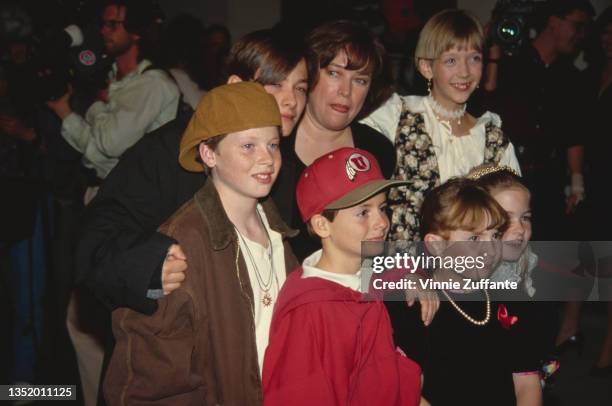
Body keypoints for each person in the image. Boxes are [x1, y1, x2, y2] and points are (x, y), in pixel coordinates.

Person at [76, 28, 308, 315]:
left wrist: (378, 294)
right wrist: (148, 264)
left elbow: (313, 263)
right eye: (276, 84)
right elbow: (95, 239)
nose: (291, 101)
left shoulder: (292, 161)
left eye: (300, 88)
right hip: (174, 338)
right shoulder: (169, 150)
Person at [104, 81, 298, 405]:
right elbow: (151, 381)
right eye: (248, 146)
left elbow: (339, 262)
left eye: (274, 145)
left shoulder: (277, 227)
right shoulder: (183, 245)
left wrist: (408, 276)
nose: (267, 158)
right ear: (208, 153)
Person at [263, 147, 422, 406]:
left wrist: (411, 273)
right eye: (363, 213)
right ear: (322, 225)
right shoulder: (310, 312)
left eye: (383, 208)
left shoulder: (361, 276)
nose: (382, 222)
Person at [361, 9, 521, 242]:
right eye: (451, 60)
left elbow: (513, 213)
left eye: (474, 58)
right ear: (427, 67)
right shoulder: (396, 116)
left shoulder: (494, 138)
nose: (465, 71)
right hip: (404, 269)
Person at [395, 177, 540, 405]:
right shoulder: (418, 307)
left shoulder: (510, 298)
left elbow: (527, 382)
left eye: (494, 235)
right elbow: (409, 392)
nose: (490, 248)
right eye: (474, 238)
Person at [275, 19, 396, 260]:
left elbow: (376, 247)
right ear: (308, 74)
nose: (345, 91)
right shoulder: (274, 145)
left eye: (360, 80)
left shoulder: (377, 150)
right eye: (334, 73)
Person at [482, 0, 594, 240]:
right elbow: (485, 111)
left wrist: (576, 184)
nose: (580, 34)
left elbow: (574, 132)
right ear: (554, 21)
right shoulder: (509, 63)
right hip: (507, 176)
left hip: (549, 184)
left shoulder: (571, 77)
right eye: (577, 25)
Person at [46, 0, 180, 185]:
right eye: (103, 24)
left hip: (134, 203)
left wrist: (93, 105)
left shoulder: (152, 84)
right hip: (102, 193)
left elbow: (110, 144)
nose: (103, 31)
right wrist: (65, 113)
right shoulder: (109, 76)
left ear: (135, 31)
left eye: (112, 25)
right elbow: (100, 155)